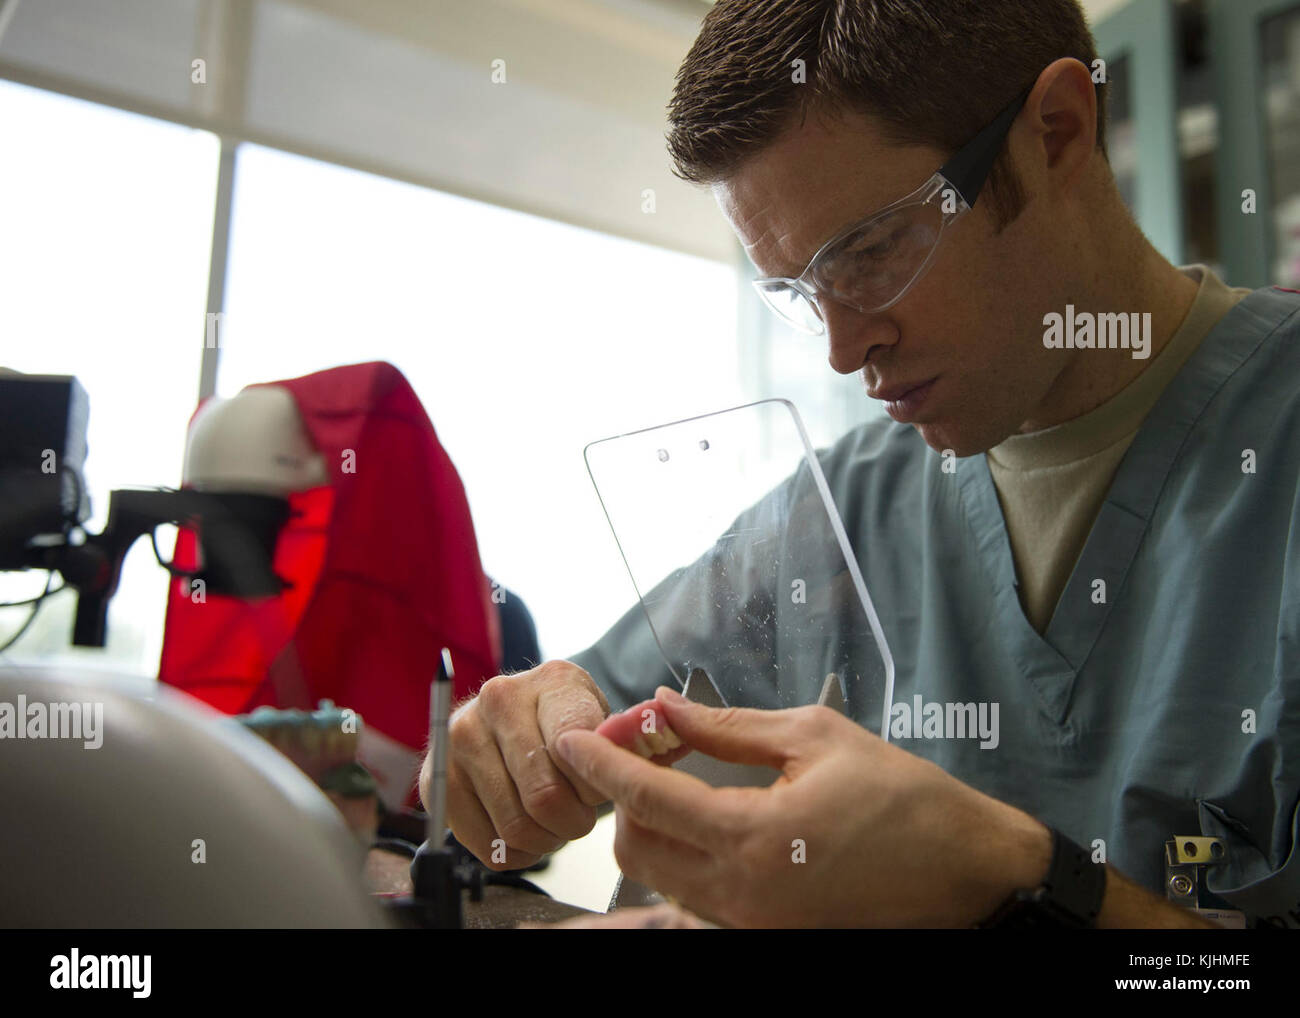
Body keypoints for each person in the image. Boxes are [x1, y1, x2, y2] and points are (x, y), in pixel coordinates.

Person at [421, 0, 1300, 927]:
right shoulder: (845, 509)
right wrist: (520, 741)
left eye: (872, 253)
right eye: (799, 291)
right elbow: (594, 702)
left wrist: (1011, 876)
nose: (841, 353)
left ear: (1056, 131)